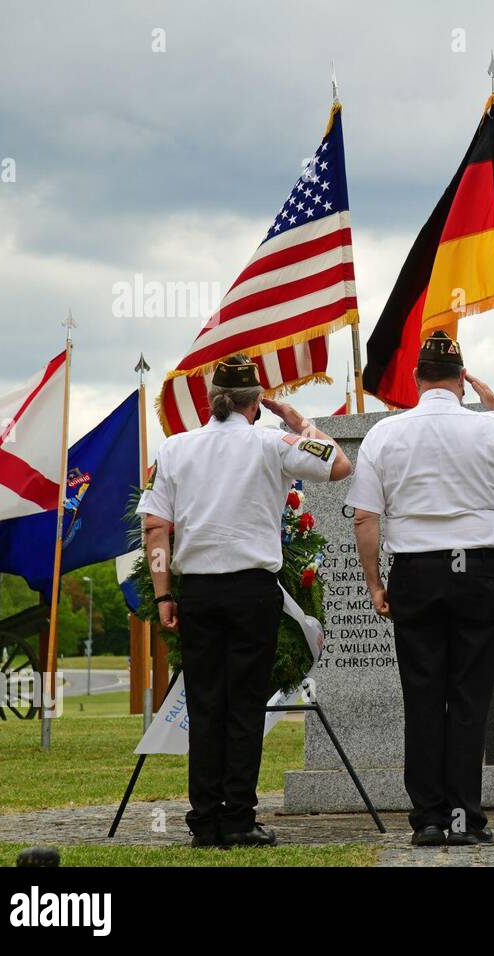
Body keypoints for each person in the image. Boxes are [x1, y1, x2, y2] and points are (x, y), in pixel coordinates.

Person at [347, 330, 494, 847]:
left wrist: (375, 582)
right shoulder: (489, 426)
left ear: (417, 379)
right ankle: (464, 815)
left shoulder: (384, 434)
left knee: (422, 695)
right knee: (469, 695)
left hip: (416, 571)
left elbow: (365, 518)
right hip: (479, 571)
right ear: (462, 379)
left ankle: (429, 819)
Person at [138, 354, 352, 848]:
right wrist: (301, 422)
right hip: (252, 590)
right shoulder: (273, 440)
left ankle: (204, 820)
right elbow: (339, 465)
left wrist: (165, 592)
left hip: (198, 591)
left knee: (206, 703)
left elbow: (155, 527)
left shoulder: (174, 448)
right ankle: (238, 817)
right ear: (256, 403)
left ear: (213, 401)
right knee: (244, 706)